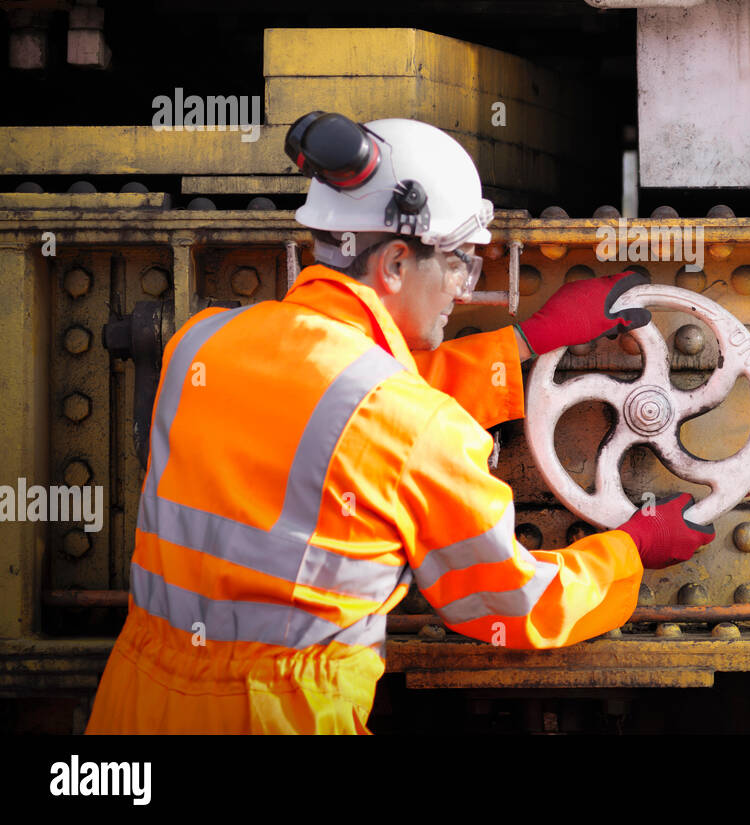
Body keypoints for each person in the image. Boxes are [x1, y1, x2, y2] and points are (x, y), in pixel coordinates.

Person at [85, 113, 715, 735]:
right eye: (460, 262)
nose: (464, 290)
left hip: (130, 706)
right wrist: (629, 551)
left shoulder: (202, 343)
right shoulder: (410, 425)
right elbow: (508, 604)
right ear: (391, 264)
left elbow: (339, 412)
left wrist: (527, 341)